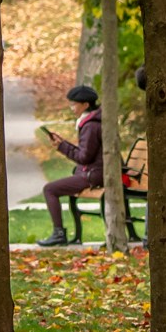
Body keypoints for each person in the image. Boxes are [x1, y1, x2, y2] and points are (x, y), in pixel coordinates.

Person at [37, 83, 105, 246]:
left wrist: (61, 146)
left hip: (93, 175)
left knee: (50, 189)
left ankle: (58, 233)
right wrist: (63, 143)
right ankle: (59, 233)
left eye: (74, 104)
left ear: (85, 105)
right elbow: (85, 153)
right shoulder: (93, 122)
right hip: (94, 171)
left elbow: (83, 157)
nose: (71, 107)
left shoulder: (90, 125)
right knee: (53, 188)